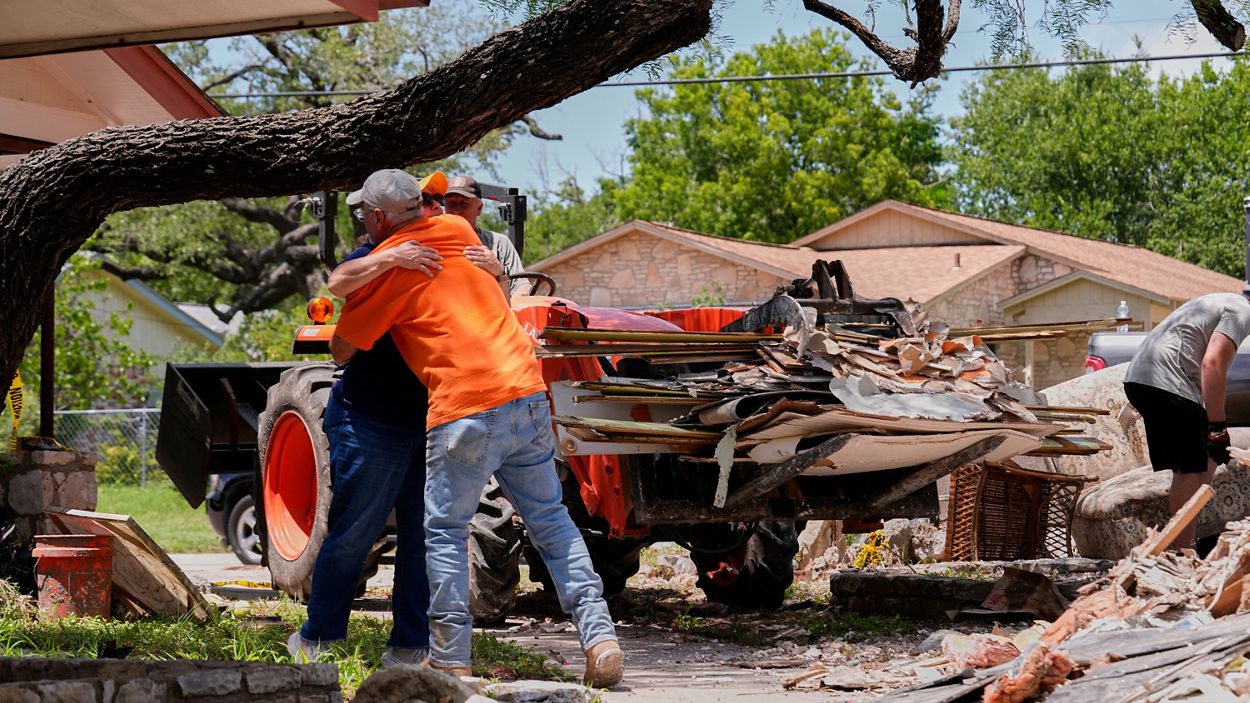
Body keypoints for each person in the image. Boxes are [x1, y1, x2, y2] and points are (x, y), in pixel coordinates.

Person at [331, 169, 624, 687]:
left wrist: (375, 277)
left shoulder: (394, 274)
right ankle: (600, 638)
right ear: (424, 204)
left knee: (444, 534)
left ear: (376, 218)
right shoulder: (461, 232)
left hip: (464, 409)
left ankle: (450, 659)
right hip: (528, 395)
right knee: (553, 523)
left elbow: (343, 348)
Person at [287, 169, 449, 669]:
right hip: (370, 421)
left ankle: (410, 645)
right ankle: (321, 636)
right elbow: (337, 284)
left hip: (431, 419)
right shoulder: (370, 257)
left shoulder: (443, 251)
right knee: (354, 533)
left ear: (375, 215)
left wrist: (494, 268)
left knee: (422, 539)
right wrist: (390, 257)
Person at [1124, 291, 1250, 550]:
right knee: (1191, 471)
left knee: (1200, 464)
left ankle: (1183, 544)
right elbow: (1212, 365)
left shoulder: (1225, 302)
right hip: (1166, 381)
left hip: (1143, 379)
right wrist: (1216, 427)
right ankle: (1183, 555)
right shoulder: (1242, 310)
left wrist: (1213, 430)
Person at [443, 175, 528, 296]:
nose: (456, 210)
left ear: (479, 208)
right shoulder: (434, 243)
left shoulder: (499, 243)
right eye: (451, 204)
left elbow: (521, 285)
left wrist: (499, 272)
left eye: (463, 204)